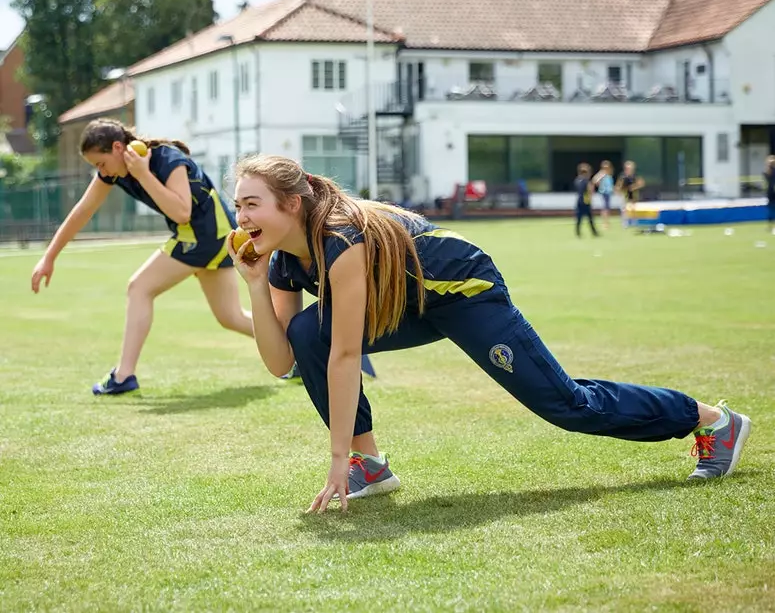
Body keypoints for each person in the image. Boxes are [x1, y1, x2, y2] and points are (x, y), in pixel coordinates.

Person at [227, 154, 752, 513]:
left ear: (291, 204)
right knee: (304, 331)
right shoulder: (281, 263)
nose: (241, 215)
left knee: (566, 405)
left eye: (252, 203)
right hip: (408, 305)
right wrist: (253, 284)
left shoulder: (340, 239)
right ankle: (373, 465)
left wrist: (334, 461)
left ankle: (711, 421)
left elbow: (346, 356)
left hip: (462, 290)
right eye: (238, 205)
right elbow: (282, 362)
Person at [30, 118, 254, 395]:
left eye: (101, 164)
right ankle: (291, 351)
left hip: (205, 236)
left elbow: (182, 212)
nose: (101, 172)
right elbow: (83, 211)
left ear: (116, 147)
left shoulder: (168, 159)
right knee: (229, 316)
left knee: (139, 287)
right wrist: (49, 257)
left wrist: (143, 174)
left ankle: (123, 376)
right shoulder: (115, 172)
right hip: (210, 236)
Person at [616, 160, 645, 228]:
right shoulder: (623, 176)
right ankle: (625, 222)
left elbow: (641, 183)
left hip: (633, 194)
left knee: (633, 208)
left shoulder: (635, 176)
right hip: (625, 194)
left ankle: (634, 222)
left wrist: (634, 187)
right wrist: (619, 190)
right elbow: (618, 185)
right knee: (624, 208)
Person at [573, 163, 598, 238]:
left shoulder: (577, 180)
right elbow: (590, 190)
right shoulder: (586, 181)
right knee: (590, 218)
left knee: (579, 218)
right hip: (586, 201)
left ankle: (578, 232)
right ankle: (594, 232)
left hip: (579, 201)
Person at [592, 160, 615, 229]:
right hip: (604, 193)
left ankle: (607, 222)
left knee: (607, 208)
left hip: (609, 192)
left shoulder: (609, 174)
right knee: (605, 208)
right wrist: (600, 185)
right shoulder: (602, 173)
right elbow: (595, 180)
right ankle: (605, 223)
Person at [764, 155, 775, 235]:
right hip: (771, 194)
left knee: (771, 211)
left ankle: (771, 226)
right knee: (771, 211)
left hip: (771, 194)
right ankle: (771, 226)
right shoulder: (769, 173)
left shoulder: (769, 173)